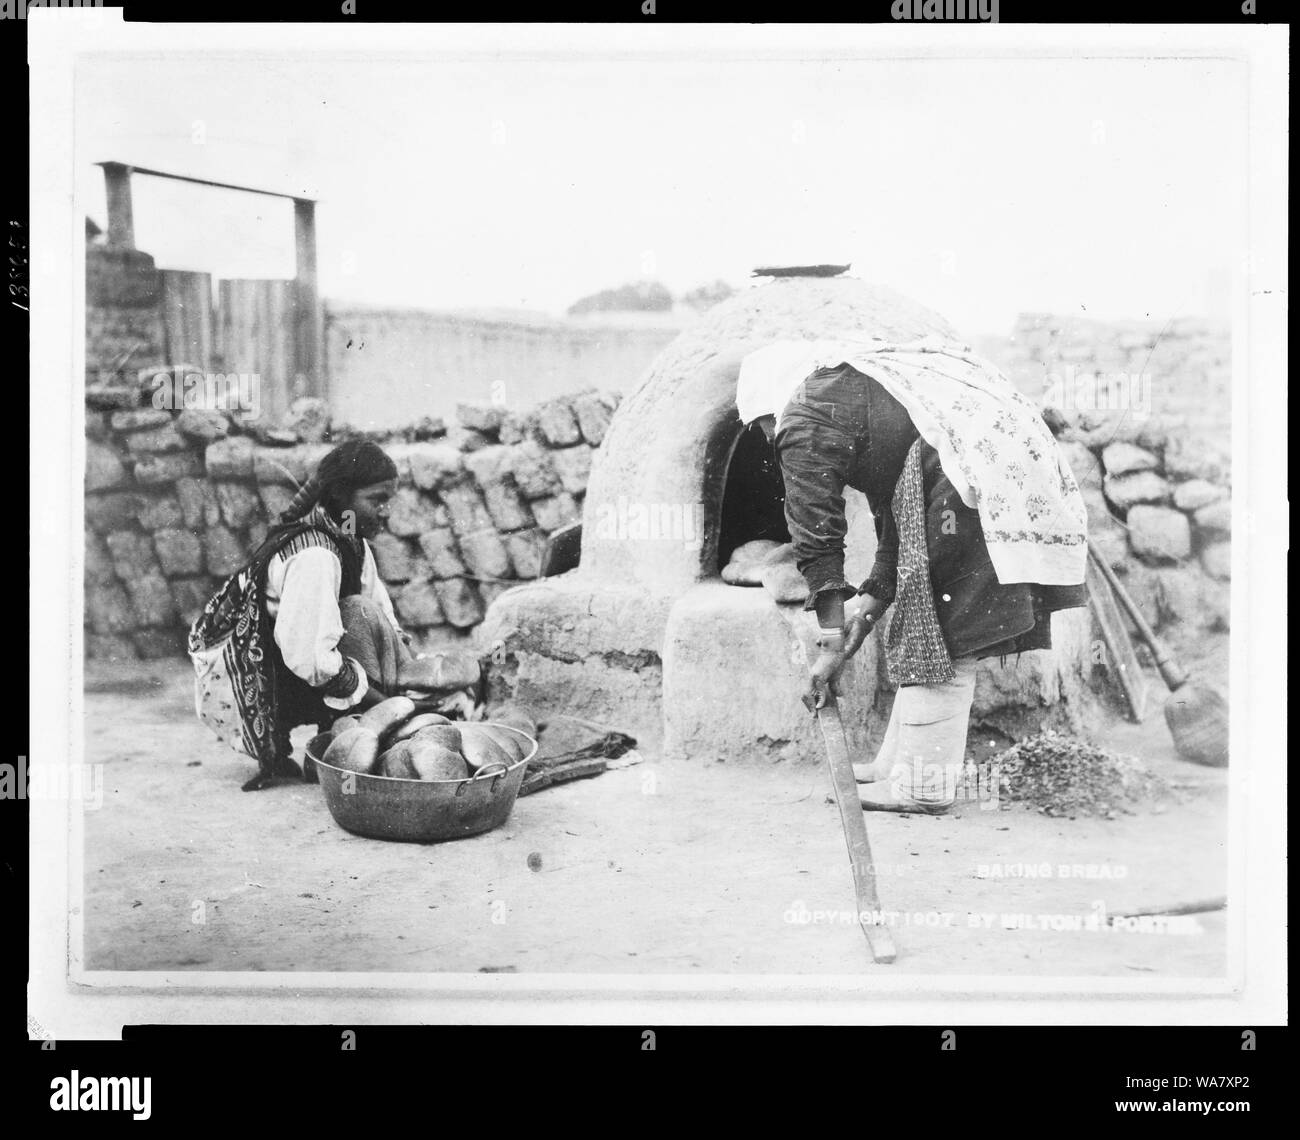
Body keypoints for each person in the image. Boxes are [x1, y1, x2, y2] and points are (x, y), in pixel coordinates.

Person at [736, 337, 1089, 814]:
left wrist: (832, 634)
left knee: (940, 630)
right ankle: (897, 767)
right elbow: (897, 516)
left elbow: (817, 534)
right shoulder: (855, 393)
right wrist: (872, 600)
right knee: (924, 617)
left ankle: (923, 786)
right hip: (985, 467)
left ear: (768, 406)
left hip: (963, 477)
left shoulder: (802, 416)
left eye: (759, 427)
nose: (765, 439)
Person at [188, 439, 480, 791]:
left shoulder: (349, 538)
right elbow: (308, 657)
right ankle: (344, 738)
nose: (386, 512)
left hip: (297, 659)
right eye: (376, 500)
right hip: (249, 674)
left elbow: (384, 617)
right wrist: (389, 708)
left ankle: (348, 734)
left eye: (388, 500)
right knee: (355, 615)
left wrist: (411, 678)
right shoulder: (315, 555)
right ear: (342, 498)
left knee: (365, 614)